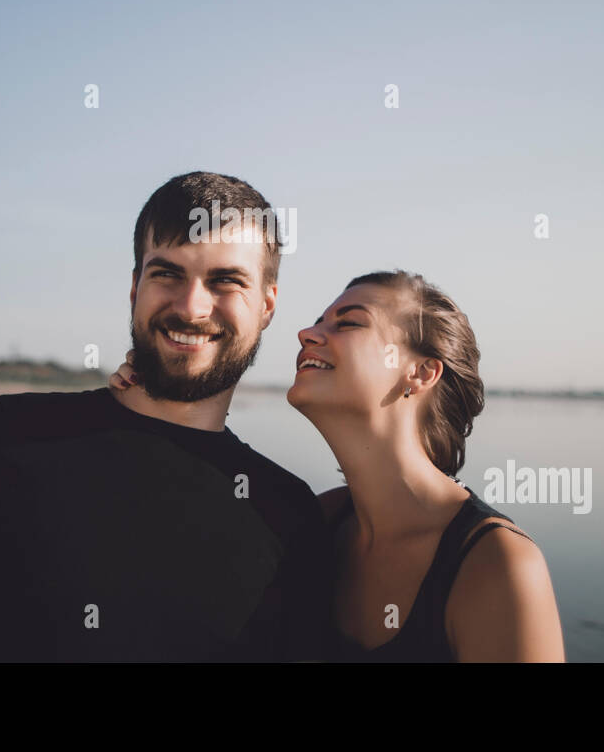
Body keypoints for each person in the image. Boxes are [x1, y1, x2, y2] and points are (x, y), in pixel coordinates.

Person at [0, 171, 333, 661]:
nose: (191, 306)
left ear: (267, 305)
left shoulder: (288, 512)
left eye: (226, 280)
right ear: (135, 286)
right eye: (167, 273)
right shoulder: (0, 439)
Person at [112, 269, 564, 661]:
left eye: (348, 323)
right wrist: (156, 410)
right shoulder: (312, 523)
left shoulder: (496, 564)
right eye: (318, 321)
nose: (306, 333)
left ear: (421, 373)